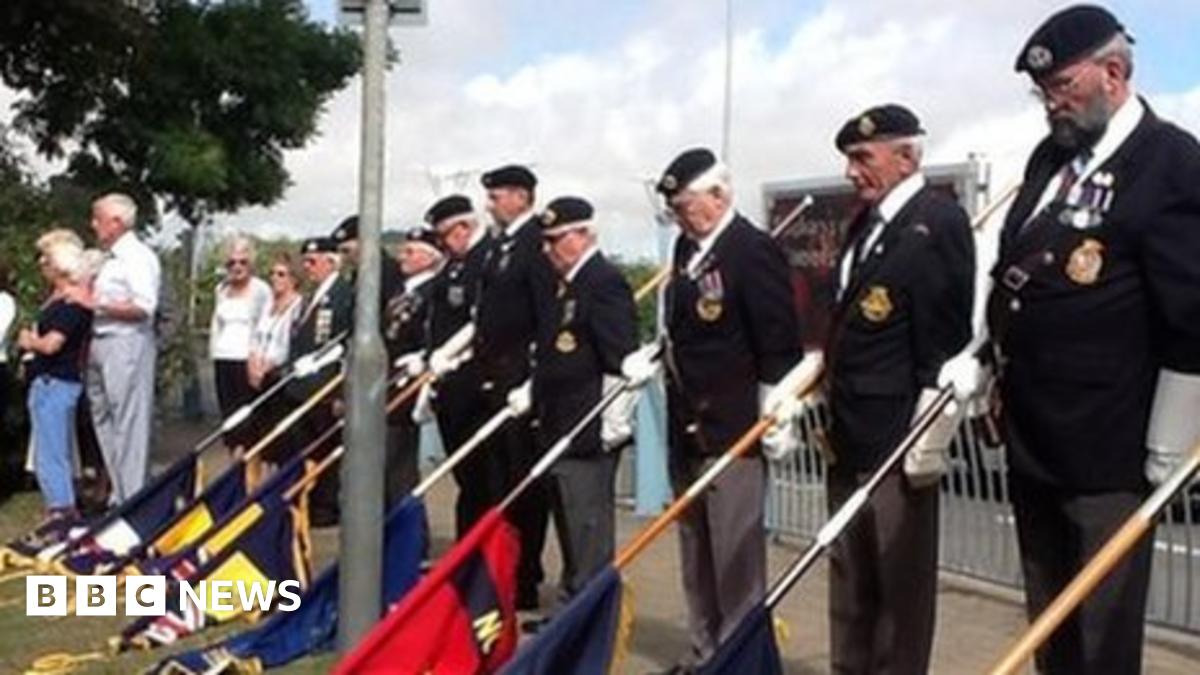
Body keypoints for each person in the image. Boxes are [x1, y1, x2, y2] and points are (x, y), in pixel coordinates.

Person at [937, 6, 1200, 673]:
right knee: (1052, 636)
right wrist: (981, 353)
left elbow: (1192, 317)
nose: (1051, 103)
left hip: (1110, 451)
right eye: (1042, 92)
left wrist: (1171, 441)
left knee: (1101, 645)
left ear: (1113, 73)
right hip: (1034, 443)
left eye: (1062, 87)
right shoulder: (1050, 158)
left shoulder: (1169, 162)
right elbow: (1018, 273)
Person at [626, 148, 802, 668]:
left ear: (719, 195)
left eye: (686, 205)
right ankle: (706, 653)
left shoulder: (752, 250)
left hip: (733, 429)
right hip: (688, 426)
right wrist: (656, 352)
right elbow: (684, 329)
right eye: (675, 209)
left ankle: (741, 662)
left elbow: (777, 339)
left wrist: (776, 403)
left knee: (735, 560)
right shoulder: (687, 249)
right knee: (696, 553)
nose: (681, 217)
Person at [825, 105, 974, 675]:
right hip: (849, 434)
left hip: (896, 438)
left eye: (863, 157)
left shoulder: (937, 222)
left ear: (907, 157)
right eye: (849, 159)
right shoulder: (866, 225)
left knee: (898, 592)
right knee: (851, 585)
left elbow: (943, 339)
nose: (851, 172)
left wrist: (928, 433)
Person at [533, 196, 638, 604]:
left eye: (556, 239)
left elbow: (619, 357)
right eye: (545, 241)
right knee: (570, 530)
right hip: (559, 423)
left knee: (587, 531)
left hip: (587, 426)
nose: (548, 249)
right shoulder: (567, 286)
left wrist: (614, 419)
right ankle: (570, 607)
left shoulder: (603, 281)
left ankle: (589, 615)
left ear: (583, 235)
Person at [475, 164, 558, 610]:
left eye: (498, 195)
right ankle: (502, 570)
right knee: (496, 483)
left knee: (523, 486)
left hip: (520, 378)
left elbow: (545, 315)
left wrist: (532, 376)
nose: (491, 204)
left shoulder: (534, 245)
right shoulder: (499, 246)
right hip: (494, 380)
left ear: (522, 197)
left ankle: (524, 576)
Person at [421, 194, 496, 537]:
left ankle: (479, 551)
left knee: (481, 479)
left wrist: (452, 354)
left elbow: (481, 321)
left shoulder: (486, 259)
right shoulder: (453, 265)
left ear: (464, 227)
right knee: (465, 476)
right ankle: (468, 548)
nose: (442, 245)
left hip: (473, 382)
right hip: (448, 383)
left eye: (445, 236)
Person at [79, 193, 161, 503]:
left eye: (98, 218)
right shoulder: (108, 259)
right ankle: (119, 494)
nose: (93, 225)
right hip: (100, 341)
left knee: (129, 424)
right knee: (104, 421)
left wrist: (96, 304)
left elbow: (143, 306)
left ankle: (134, 499)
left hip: (126, 342)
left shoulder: (137, 257)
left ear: (116, 222)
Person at [19, 234, 93, 521]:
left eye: (47, 260)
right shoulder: (56, 301)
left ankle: (62, 510)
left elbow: (52, 344)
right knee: (46, 452)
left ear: (62, 266)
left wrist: (30, 341)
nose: (42, 264)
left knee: (53, 452)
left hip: (57, 382)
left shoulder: (72, 305)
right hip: (45, 381)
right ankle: (57, 506)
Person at [288, 236, 353, 526]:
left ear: (331, 261)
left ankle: (325, 507)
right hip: (305, 386)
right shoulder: (313, 295)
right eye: (305, 261)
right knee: (308, 446)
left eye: (313, 261)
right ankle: (311, 501)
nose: (308, 267)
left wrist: (339, 389)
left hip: (325, 386)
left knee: (325, 446)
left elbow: (341, 340)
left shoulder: (342, 294)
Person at [382, 227, 442, 504]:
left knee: (400, 464)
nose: (401, 257)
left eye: (410, 252)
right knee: (386, 460)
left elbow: (430, 334)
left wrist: (423, 358)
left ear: (429, 258)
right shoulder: (402, 289)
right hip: (389, 377)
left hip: (409, 381)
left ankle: (408, 526)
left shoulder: (434, 291)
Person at [209, 236, 270, 451]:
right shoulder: (221, 289)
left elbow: (265, 327)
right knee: (229, 418)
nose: (237, 267)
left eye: (243, 262)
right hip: (223, 357)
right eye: (232, 263)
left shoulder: (261, 290)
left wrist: (258, 360)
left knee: (248, 418)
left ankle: (248, 462)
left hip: (247, 360)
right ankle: (232, 458)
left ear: (251, 264)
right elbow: (217, 325)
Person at [246, 251, 304, 458]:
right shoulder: (268, 305)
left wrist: (268, 365)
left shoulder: (298, 307)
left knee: (279, 438)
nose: (275, 278)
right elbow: (256, 336)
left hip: (278, 376)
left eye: (281, 274)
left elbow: (288, 344)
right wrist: (253, 362)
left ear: (293, 279)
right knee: (260, 435)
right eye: (272, 273)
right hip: (258, 374)